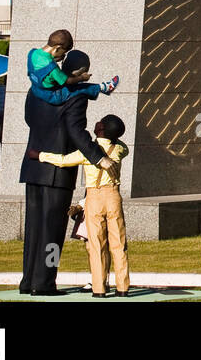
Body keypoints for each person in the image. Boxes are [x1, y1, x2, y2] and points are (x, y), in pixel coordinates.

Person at [18, 29, 110, 296]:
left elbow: (28, 119)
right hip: (57, 172)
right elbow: (77, 132)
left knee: (34, 228)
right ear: (80, 71)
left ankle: (28, 282)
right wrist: (98, 157)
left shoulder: (36, 89)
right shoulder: (75, 96)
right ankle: (44, 283)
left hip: (33, 165)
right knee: (53, 232)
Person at [30, 114, 130, 298]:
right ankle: (122, 287)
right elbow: (124, 147)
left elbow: (62, 160)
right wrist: (113, 138)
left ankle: (99, 288)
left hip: (94, 196)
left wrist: (39, 155)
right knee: (119, 243)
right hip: (114, 195)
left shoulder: (87, 152)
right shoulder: (119, 150)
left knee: (96, 244)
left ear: (100, 128)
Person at [28, 48, 118, 106]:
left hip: (39, 91)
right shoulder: (52, 69)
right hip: (55, 96)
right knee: (81, 89)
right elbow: (68, 81)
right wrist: (82, 78)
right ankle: (103, 88)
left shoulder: (34, 54)